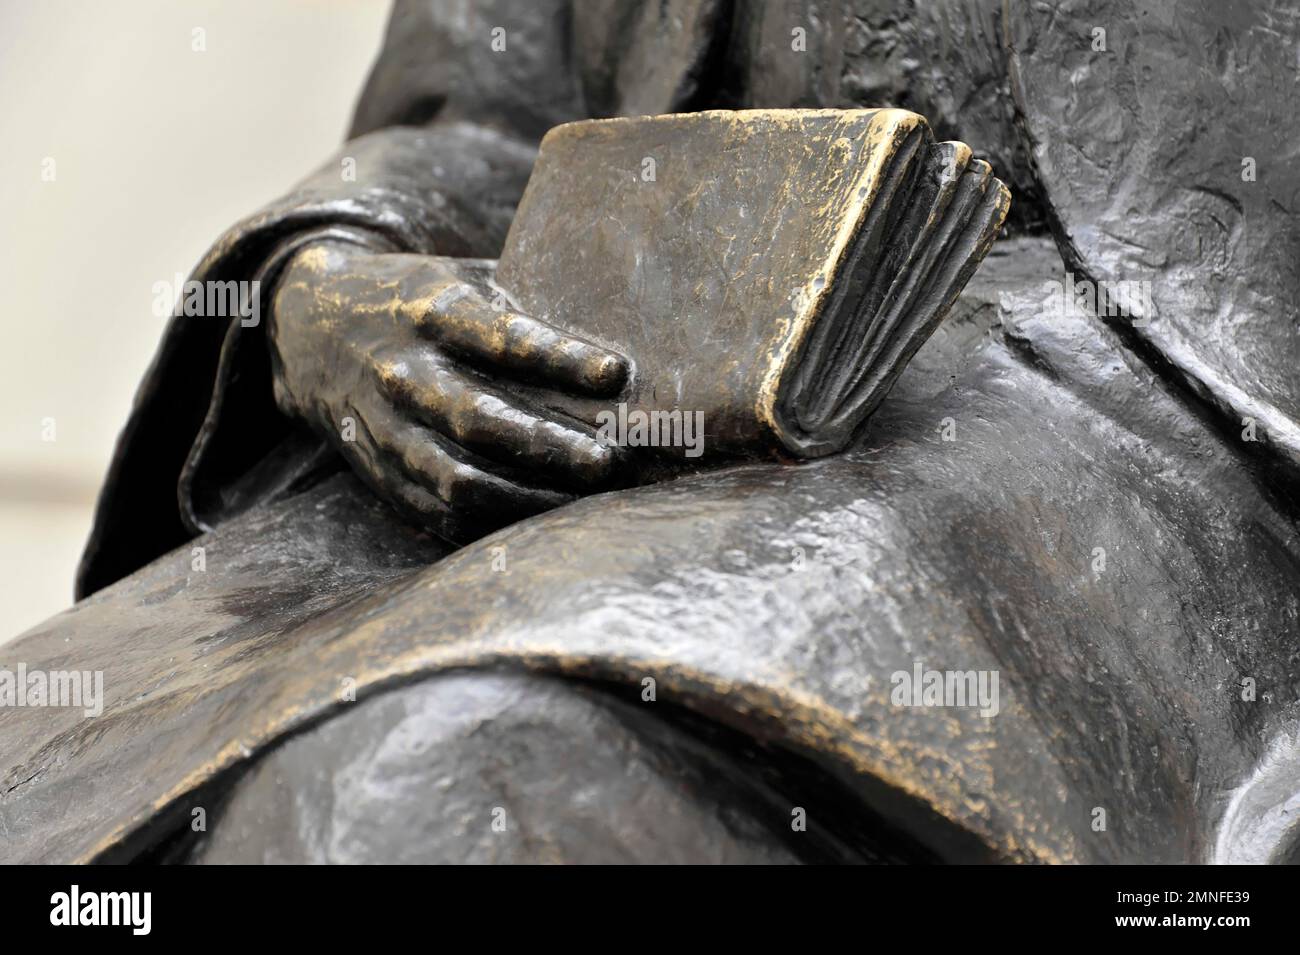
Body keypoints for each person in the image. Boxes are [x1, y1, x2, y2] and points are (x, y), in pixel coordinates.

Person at [3, 0, 1298, 863]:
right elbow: (478, 125)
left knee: (419, 782)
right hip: (611, 379)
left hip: (1143, 434)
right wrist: (317, 283)